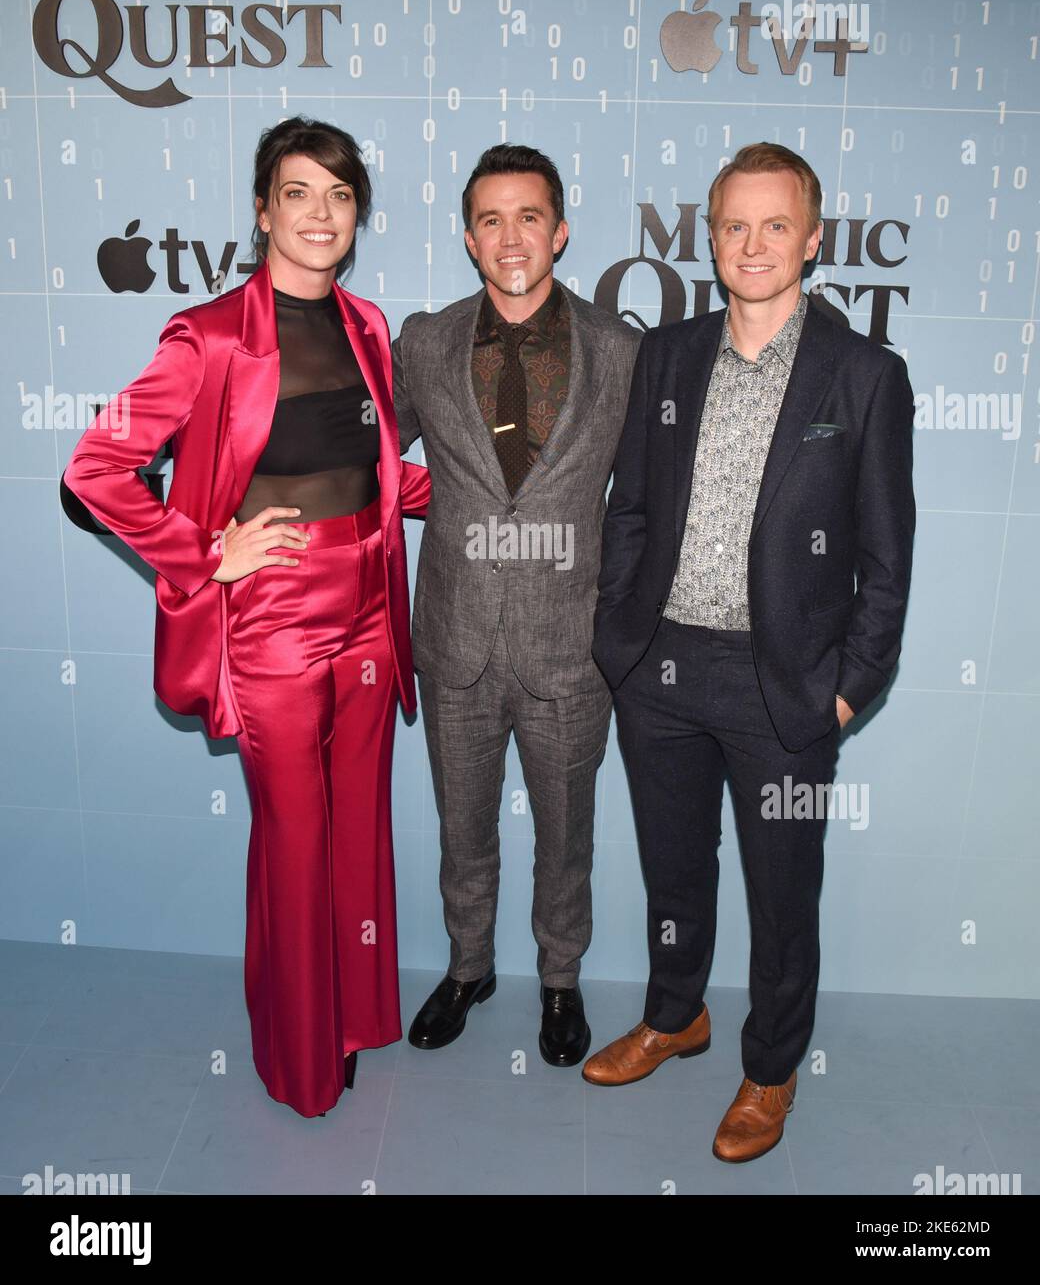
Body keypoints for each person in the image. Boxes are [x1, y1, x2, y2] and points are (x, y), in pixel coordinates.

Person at [63, 116, 430, 1119]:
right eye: (299, 193)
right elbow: (94, 469)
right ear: (263, 209)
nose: (320, 214)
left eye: (340, 196)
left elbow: (375, 473)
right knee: (296, 834)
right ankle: (300, 1055)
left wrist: (491, 490)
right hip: (271, 617)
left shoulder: (364, 325)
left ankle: (354, 1017)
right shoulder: (209, 333)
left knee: (359, 828)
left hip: (367, 606)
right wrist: (205, 552)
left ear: (356, 218)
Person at [585, 142, 915, 1161]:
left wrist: (844, 695)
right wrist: (620, 639)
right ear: (709, 235)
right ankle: (674, 1014)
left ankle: (769, 1070)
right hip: (659, 674)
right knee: (672, 870)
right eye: (734, 224)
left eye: (776, 225)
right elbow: (630, 505)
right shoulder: (668, 354)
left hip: (785, 692)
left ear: (813, 239)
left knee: (782, 892)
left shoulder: (864, 375)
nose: (753, 244)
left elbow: (885, 557)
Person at [392, 144, 642, 1065]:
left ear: (561, 230)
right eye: (491, 219)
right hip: (453, 638)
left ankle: (561, 981)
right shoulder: (424, 342)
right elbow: (368, 452)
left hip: (569, 651)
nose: (511, 236)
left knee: (565, 834)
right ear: (468, 237)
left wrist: (621, 623)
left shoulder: (620, 351)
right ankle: (468, 969)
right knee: (464, 827)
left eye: (529, 216)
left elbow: (651, 499)